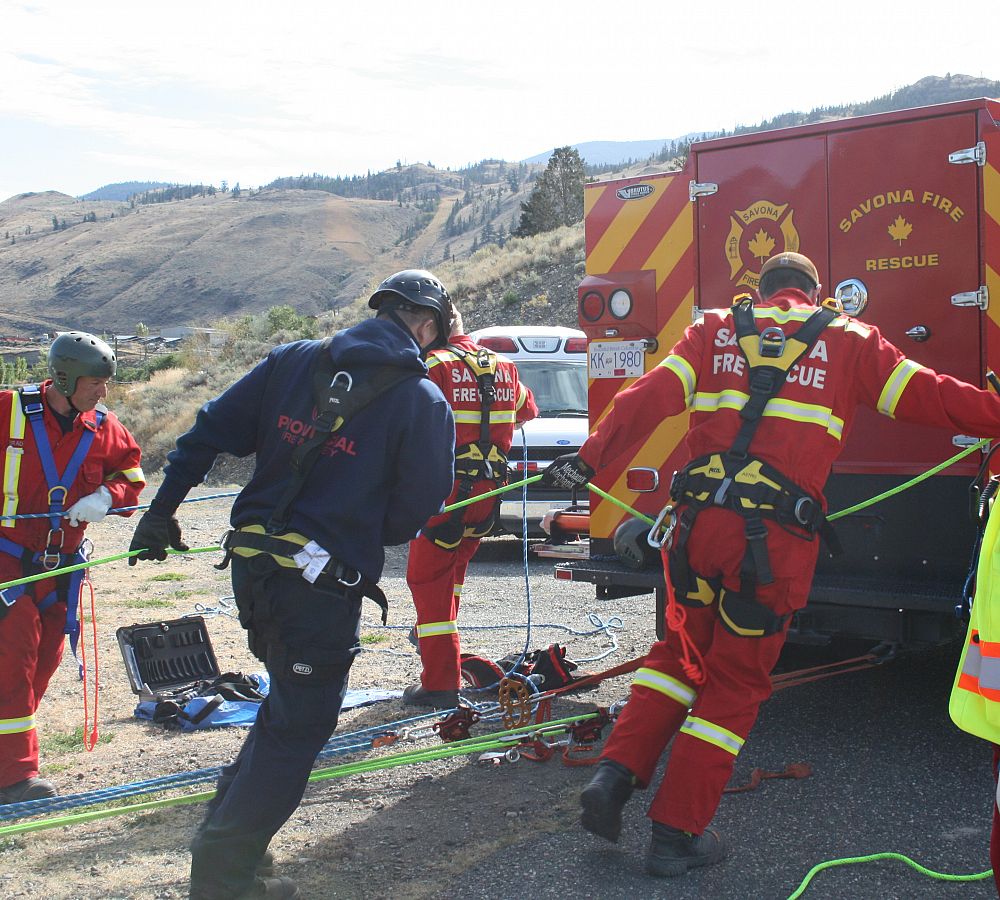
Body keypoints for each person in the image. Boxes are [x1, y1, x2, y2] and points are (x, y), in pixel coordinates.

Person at [542, 250, 1000, 877]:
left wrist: (590, 459)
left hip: (695, 528)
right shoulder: (850, 338)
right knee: (734, 682)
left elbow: (648, 396)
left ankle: (614, 774)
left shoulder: (713, 329)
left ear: (760, 292)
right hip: (771, 544)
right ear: (816, 291)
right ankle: (675, 834)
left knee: (678, 657)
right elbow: (934, 398)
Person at [127, 269, 455, 900]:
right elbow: (416, 508)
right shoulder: (421, 400)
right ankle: (222, 880)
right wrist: (356, 526)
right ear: (425, 327)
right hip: (319, 589)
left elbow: (204, 432)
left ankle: (235, 853)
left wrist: (161, 511)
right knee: (298, 729)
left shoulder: (291, 362)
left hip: (254, 575)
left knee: (285, 713)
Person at [0, 332, 144, 804]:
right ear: (64, 378)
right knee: (13, 661)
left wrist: (107, 496)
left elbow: (131, 476)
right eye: (94, 383)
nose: (103, 391)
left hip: (61, 567)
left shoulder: (103, 426)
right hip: (8, 559)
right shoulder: (9, 411)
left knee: (44, 661)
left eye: (106, 383)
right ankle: (15, 777)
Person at [403, 306, 538, 708]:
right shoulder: (503, 366)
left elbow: (406, 422)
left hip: (444, 498)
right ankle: (440, 646)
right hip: (486, 500)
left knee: (428, 584)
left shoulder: (433, 365)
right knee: (451, 579)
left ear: (431, 327)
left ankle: (440, 682)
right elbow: (527, 411)